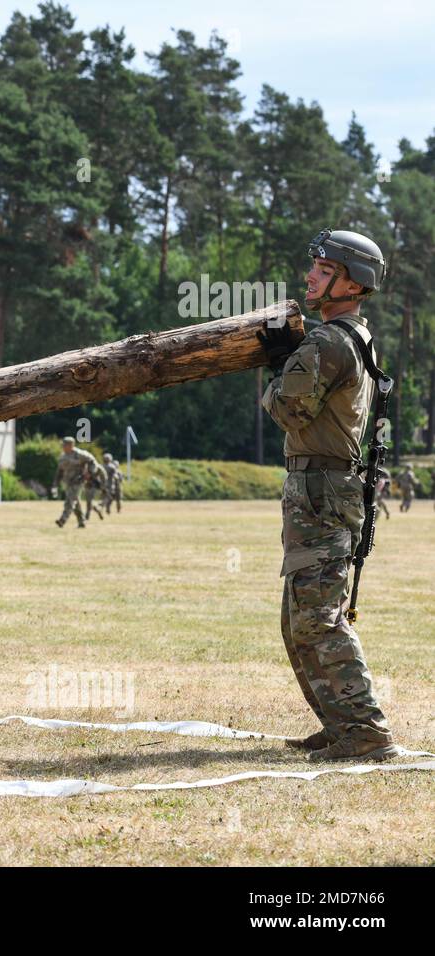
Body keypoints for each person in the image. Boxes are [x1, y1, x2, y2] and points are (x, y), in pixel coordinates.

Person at [258, 227, 399, 762]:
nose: (310, 276)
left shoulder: (330, 342)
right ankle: (342, 723)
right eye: (314, 267)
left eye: (323, 269)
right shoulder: (349, 338)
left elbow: (289, 409)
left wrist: (276, 367)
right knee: (300, 616)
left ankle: (366, 731)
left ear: (352, 282)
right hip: (320, 487)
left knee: (318, 617)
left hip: (321, 488)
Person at [51, 437, 96, 528]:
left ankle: (62, 520)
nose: (63, 447)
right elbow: (59, 471)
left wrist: (89, 473)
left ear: (71, 445)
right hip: (68, 482)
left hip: (78, 481)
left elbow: (92, 461)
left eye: (65, 445)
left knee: (70, 500)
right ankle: (82, 522)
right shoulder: (63, 456)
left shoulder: (80, 454)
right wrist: (55, 483)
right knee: (75, 502)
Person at [81, 457, 106, 522]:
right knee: (89, 502)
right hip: (87, 485)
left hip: (94, 486)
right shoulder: (85, 466)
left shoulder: (98, 467)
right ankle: (98, 510)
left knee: (89, 502)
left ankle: (87, 517)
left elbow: (104, 476)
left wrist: (103, 486)